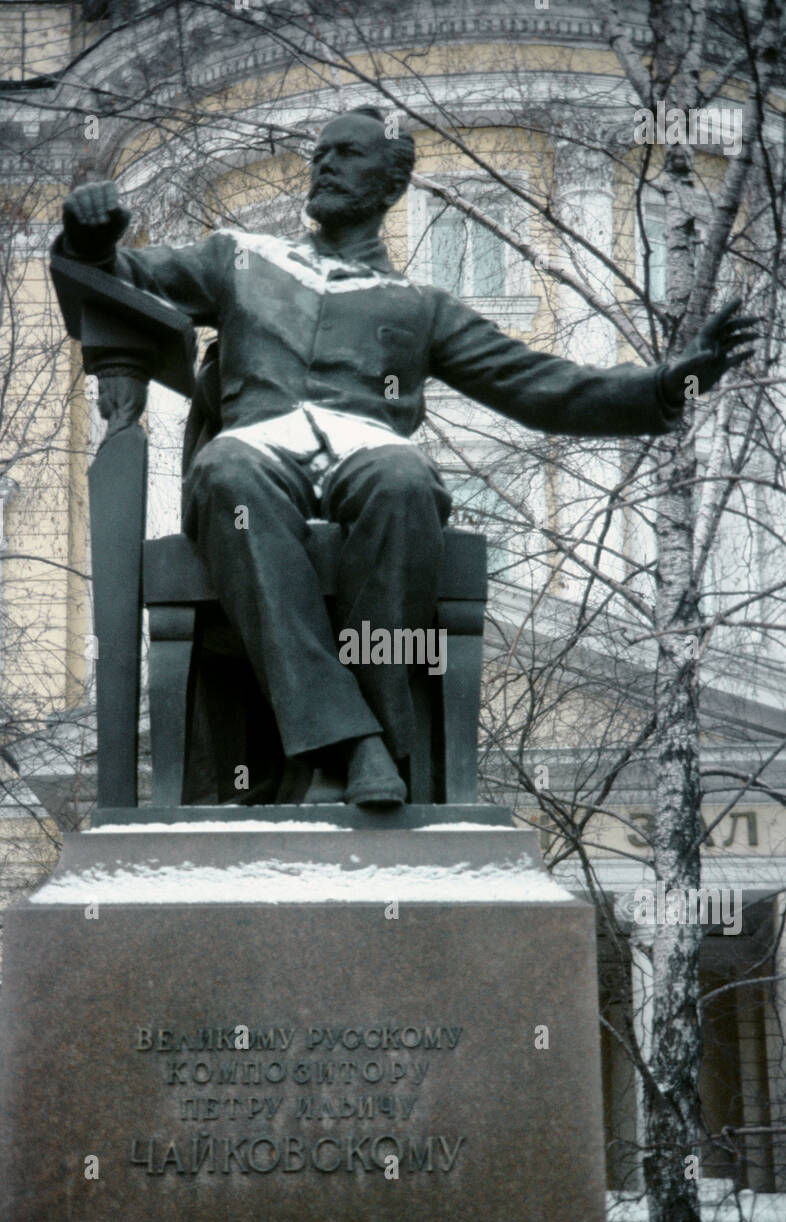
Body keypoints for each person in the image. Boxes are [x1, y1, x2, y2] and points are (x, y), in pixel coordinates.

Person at [56, 106, 757, 806]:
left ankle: (360, 736)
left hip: (369, 450)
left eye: (348, 155)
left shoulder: (419, 303)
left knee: (403, 479)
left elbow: (542, 387)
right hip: (258, 445)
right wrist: (91, 239)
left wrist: (673, 382)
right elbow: (124, 277)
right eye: (320, 152)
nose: (324, 163)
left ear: (392, 186)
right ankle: (358, 742)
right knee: (227, 472)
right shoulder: (240, 257)